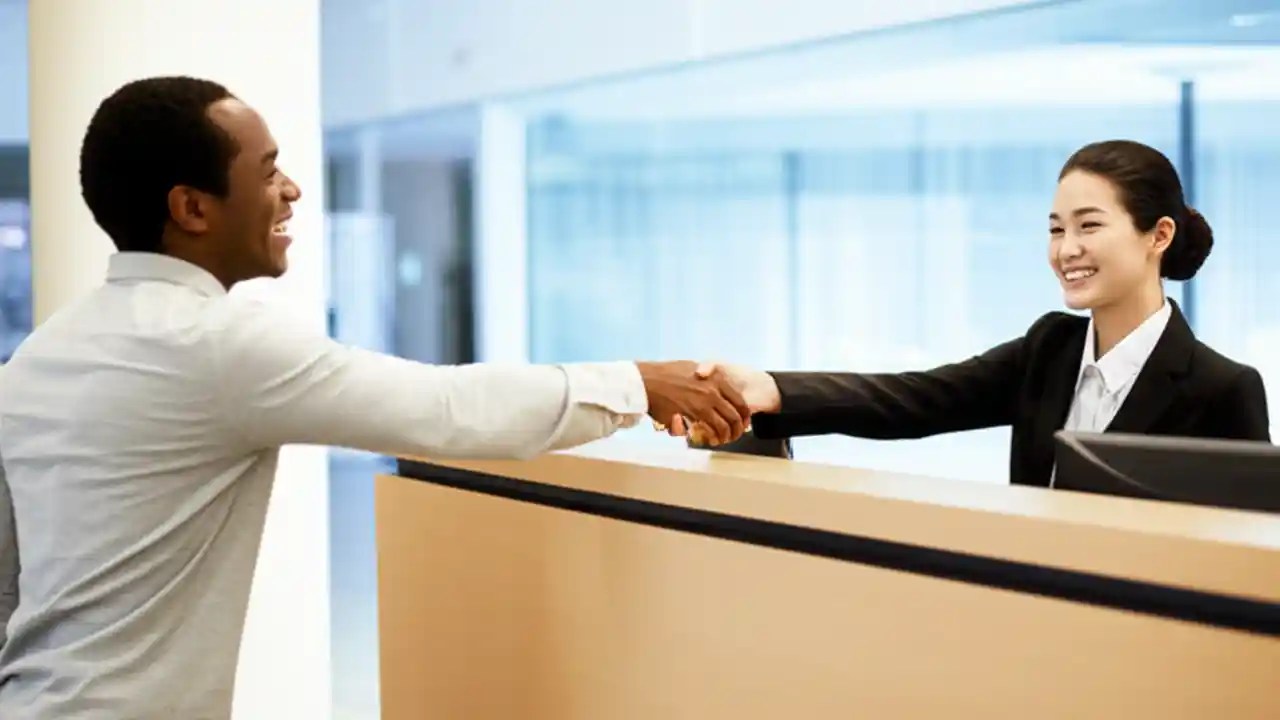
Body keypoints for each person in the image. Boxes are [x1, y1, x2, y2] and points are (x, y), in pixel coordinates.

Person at [0, 76, 749, 718]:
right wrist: (636, 385)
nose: (292, 189)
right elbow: (444, 409)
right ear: (193, 209)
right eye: (266, 172)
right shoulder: (215, 345)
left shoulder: (40, 355)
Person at [680, 139, 1270, 484]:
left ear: (1158, 235)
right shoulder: (1050, 350)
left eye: (1090, 226)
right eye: (1056, 229)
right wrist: (767, 390)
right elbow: (915, 399)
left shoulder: (1223, 389)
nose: (1067, 249)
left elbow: (1251, 553)